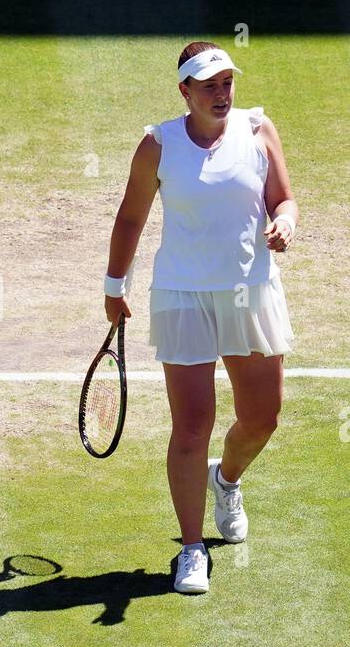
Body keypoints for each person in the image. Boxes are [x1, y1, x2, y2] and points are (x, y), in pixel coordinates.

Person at [103, 41, 299, 594]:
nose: (221, 93)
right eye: (208, 86)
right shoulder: (157, 145)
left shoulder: (258, 131)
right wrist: (114, 286)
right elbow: (130, 217)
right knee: (192, 426)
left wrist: (286, 223)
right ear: (184, 92)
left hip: (249, 294)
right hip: (183, 296)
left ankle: (227, 480)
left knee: (263, 418)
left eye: (227, 83)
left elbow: (283, 199)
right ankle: (191, 549)